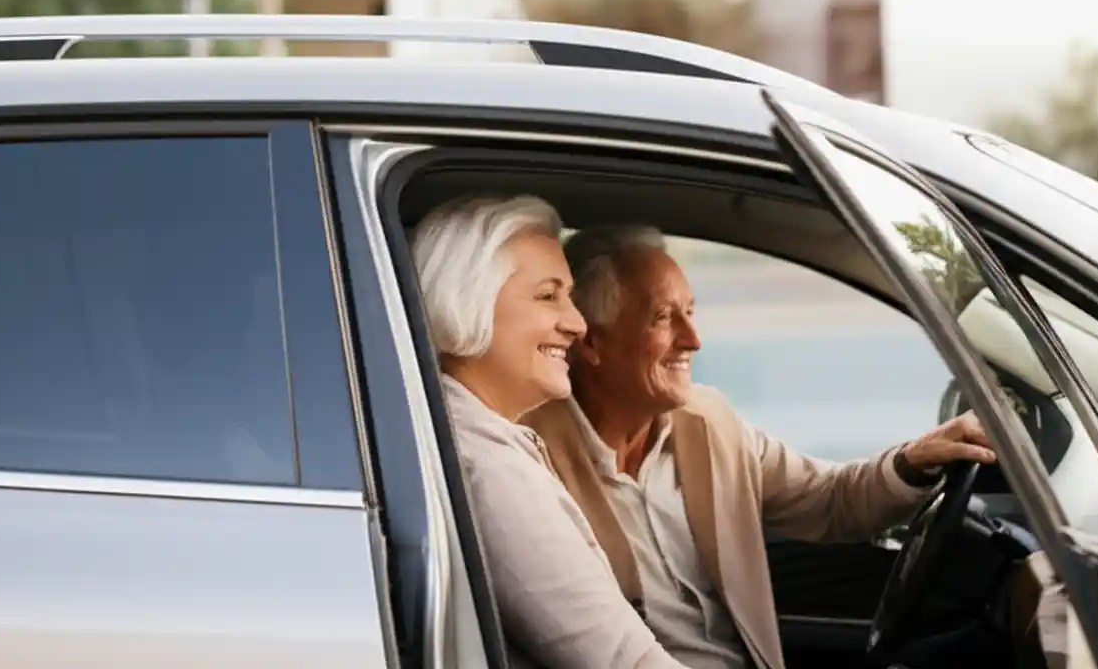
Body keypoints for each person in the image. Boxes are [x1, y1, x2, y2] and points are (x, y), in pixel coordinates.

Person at [521, 225, 998, 669]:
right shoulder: (528, 456)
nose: (693, 340)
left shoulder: (710, 421)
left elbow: (830, 499)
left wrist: (913, 461)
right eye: (663, 318)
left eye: (691, 313)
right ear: (591, 343)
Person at [412, 197, 687, 668]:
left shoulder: (471, 437)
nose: (577, 324)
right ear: (464, 301)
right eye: (547, 296)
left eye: (571, 297)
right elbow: (625, 662)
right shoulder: (489, 468)